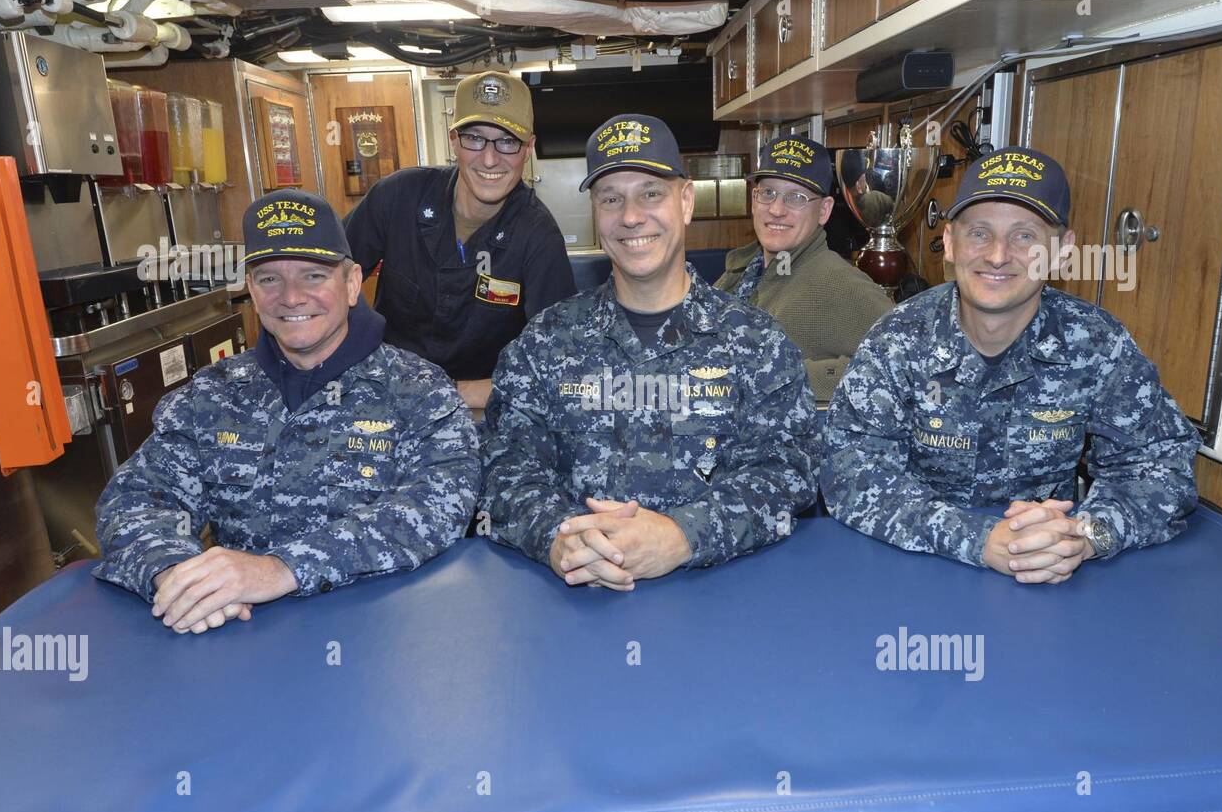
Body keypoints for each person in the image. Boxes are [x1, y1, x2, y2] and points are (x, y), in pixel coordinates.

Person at [95, 189, 480, 633]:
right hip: (240, 638)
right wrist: (182, 578)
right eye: (269, 279)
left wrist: (279, 569)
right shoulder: (212, 396)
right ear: (251, 291)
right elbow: (135, 499)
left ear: (353, 283)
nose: (291, 297)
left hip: (383, 640)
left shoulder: (419, 392)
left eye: (314, 276)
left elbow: (437, 507)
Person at [822, 146, 1200, 583]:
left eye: (1025, 236)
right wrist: (978, 539)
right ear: (949, 243)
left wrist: (1086, 534)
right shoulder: (898, 340)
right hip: (918, 570)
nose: (998, 255)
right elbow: (850, 472)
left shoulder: (1098, 343)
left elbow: (1161, 464)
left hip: (1050, 578)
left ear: (1062, 251)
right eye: (979, 233)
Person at [479, 114, 819, 590]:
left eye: (651, 193)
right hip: (574, 609)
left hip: (720, 605)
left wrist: (684, 535)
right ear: (596, 215)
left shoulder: (757, 343)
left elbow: (790, 472)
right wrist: (560, 538)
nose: (631, 216)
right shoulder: (544, 342)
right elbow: (504, 467)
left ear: (685, 201)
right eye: (611, 198)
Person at [343, 70, 576, 415]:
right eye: (475, 138)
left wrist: (446, 393)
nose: (490, 158)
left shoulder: (537, 236)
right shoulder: (397, 198)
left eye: (508, 141)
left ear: (528, 149)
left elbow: (557, 365)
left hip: (480, 410)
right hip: (386, 400)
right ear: (454, 140)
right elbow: (327, 281)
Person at [716, 134, 894, 403]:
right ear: (754, 201)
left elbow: (908, 364)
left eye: (796, 198)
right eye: (768, 193)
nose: (776, 209)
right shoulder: (741, 269)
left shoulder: (840, 284)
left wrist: (792, 379)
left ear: (824, 210)